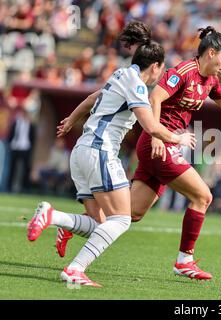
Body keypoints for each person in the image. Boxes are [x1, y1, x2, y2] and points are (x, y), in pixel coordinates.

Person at [54, 26, 221, 281]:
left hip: (165, 145)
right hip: (159, 143)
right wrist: (156, 135)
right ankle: (184, 260)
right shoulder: (182, 72)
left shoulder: (211, 81)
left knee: (130, 214)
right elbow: (155, 98)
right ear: (211, 53)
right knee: (203, 196)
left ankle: (72, 225)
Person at [26, 35, 196, 287]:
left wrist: (71, 120)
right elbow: (150, 125)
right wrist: (177, 138)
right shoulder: (137, 85)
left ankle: (55, 218)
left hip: (81, 152)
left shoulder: (120, 74)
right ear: (156, 66)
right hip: (100, 151)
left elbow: (90, 99)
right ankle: (75, 269)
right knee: (122, 219)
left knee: (99, 224)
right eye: (162, 68)